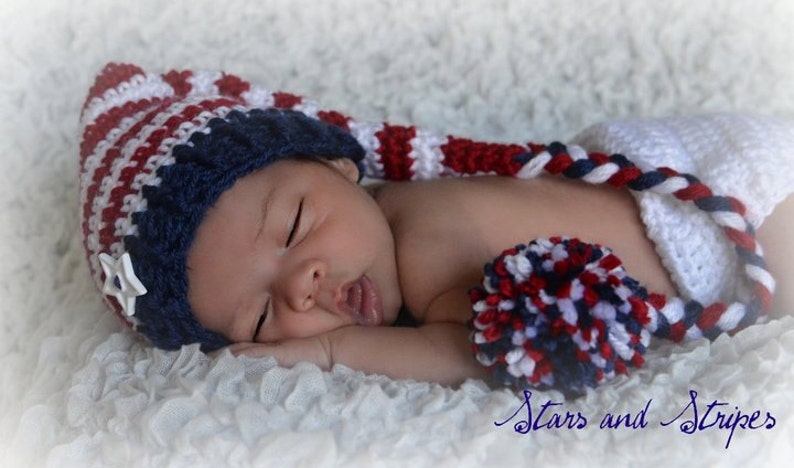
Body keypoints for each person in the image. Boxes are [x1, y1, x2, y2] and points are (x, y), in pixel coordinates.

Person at [80, 63, 794, 389]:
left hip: (738, 208)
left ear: (337, 166)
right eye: (263, 316)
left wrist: (329, 354)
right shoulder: (395, 228)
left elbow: (475, 353)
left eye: (296, 226)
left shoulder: (424, 236)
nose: (303, 287)